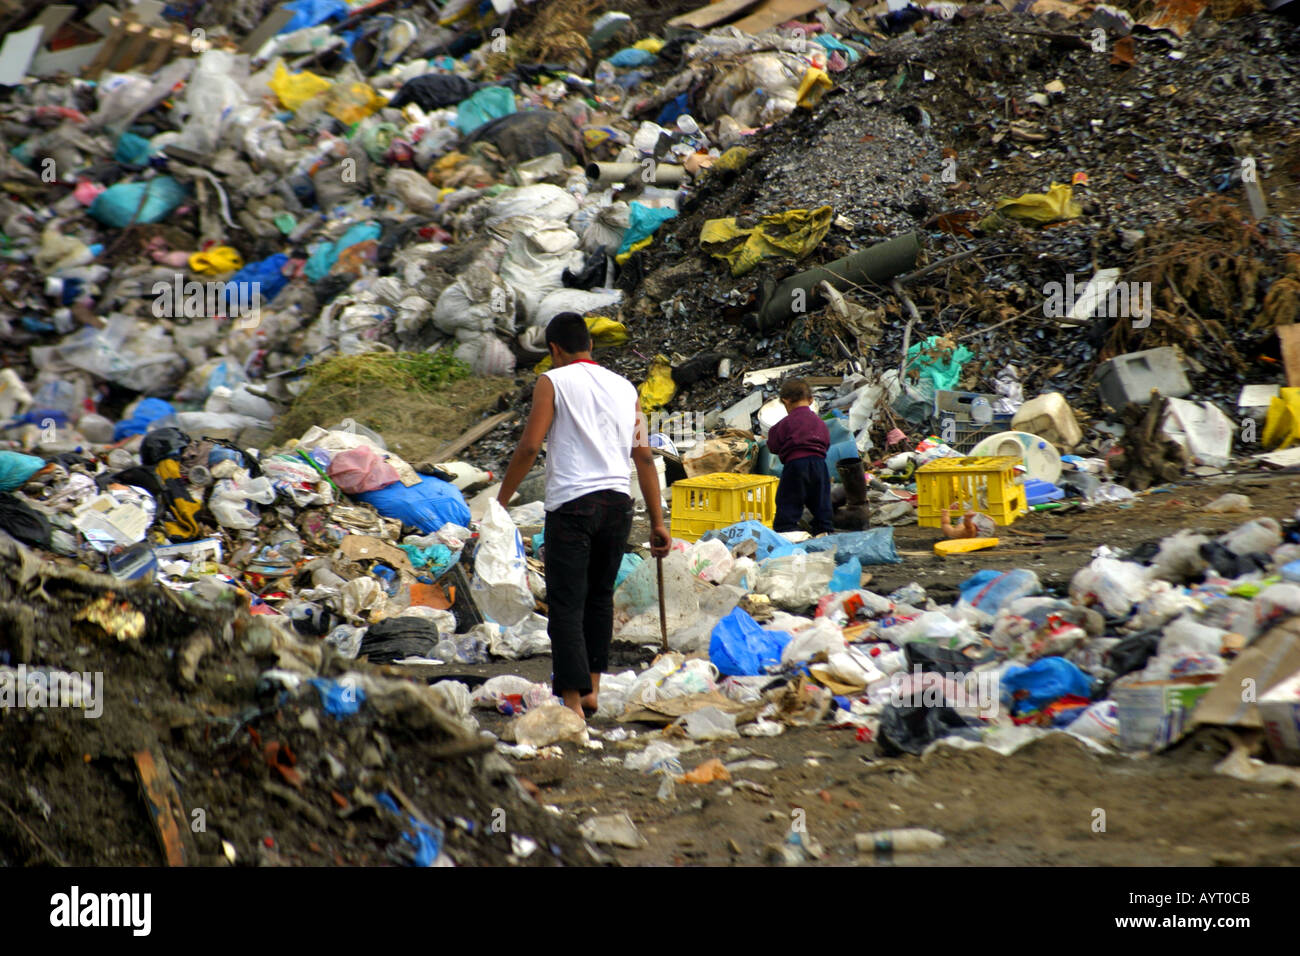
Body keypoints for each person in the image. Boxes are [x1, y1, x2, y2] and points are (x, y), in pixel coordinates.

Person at [496, 313, 671, 719]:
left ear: (554, 349)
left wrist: (501, 501)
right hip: (617, 504)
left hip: (573, 506)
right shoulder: (626, 388)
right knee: (598, 598)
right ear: (589, 345)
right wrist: (658, 523)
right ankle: (592, 689)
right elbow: (643, 456)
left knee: (566, 602)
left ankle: (572, 703)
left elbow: (529, 447)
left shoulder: (552, 381)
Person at [766, 378, 833, 534]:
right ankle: (825, 530)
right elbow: (826, 444)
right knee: (821, 500)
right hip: (819, 464)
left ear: (786, 401)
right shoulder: (820, 423)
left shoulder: (786, 423)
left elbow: (773, 445)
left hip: (795, 465)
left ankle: (787, 530)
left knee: (789, 500)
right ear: (810, 400)